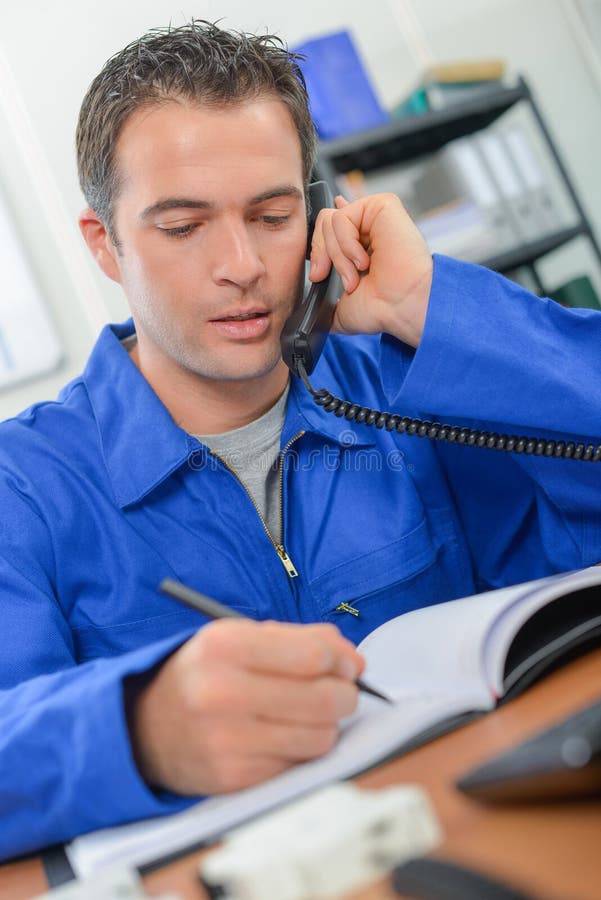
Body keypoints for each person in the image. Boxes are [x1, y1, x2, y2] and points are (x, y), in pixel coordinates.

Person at [1, 19, 600, 862]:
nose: (241, 263)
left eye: (273, 214)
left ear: (316, 214)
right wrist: (137, 730)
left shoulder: (402, 390)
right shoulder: (19, 482)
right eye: (183, 227)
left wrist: (431, 310)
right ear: (105, 244)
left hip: (465, 845)